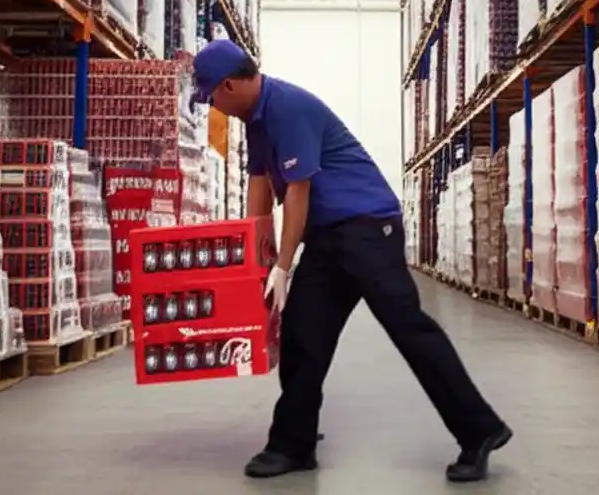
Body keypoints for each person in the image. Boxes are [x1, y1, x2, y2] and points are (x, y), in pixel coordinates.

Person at [190, 39, 512, 483]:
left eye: (212, 98)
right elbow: (261, 188)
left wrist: (283, 265)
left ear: (229, 85)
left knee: (409, 329)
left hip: (367, 229)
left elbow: (298, 195)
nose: (214, 108)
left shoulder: (287, 107)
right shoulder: (256, 119)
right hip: (328, 236)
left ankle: (481, 431)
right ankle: (292, 444)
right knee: (303, 333)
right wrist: (255, 255)